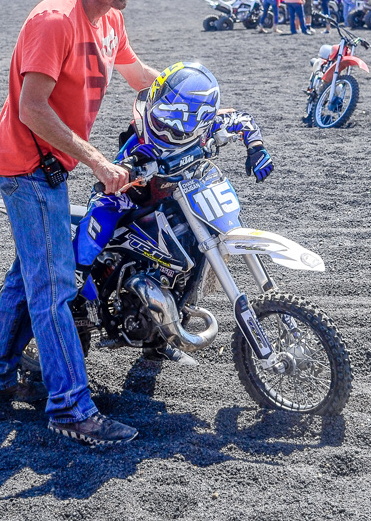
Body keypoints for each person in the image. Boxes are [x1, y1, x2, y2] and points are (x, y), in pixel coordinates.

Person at [0, 0, 161, 446]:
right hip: (28, 168)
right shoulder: (54, 21)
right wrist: (99, 160)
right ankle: (69, 408)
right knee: (54, 285)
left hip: (55, 167)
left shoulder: (111, 21)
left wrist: (195, 98)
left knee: (28, 275)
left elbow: (137, 73)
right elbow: (31, 109)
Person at [71, 62, 274, 365]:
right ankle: (74, 293)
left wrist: (256, 148)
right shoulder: (141, 140)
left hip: (175, 198)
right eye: (165, 115)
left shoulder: (205, 127)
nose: (171, 125)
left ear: (199, 117)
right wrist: (125, 171)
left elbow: (241, 119)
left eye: (179, 119)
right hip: (129, 196)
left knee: (189, 260)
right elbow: (117, 172)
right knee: (100, 215)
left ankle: (159, 335)